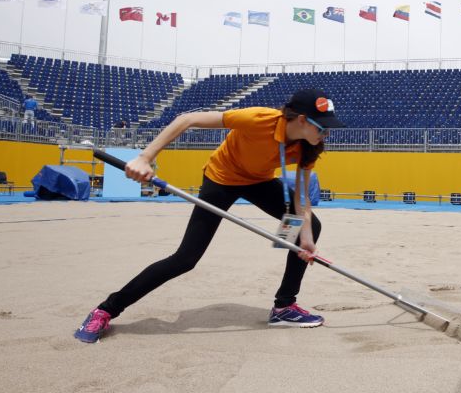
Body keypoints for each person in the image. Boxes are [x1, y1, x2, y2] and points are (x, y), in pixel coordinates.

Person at [74, 88, 345, 343]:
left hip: (258, 181)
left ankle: (284, 307)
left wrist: (305, 239)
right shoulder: (258, 119)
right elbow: (187, 119)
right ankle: (105, 310)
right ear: (301, 120)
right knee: (185, 259)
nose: (327, 133)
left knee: (310, 226)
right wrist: (145, 158)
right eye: (322, 127)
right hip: (222, 179)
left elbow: (301, 199)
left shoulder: (309, 147)